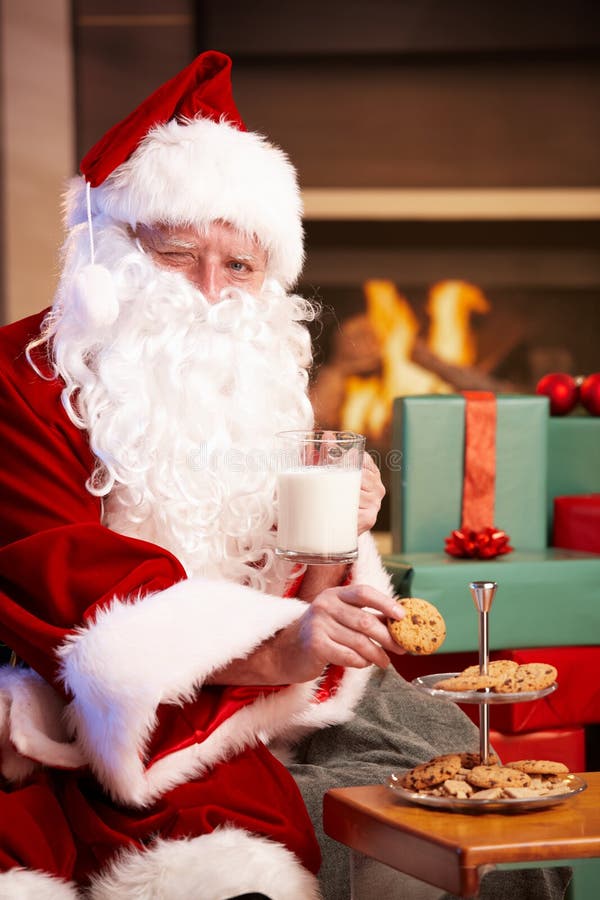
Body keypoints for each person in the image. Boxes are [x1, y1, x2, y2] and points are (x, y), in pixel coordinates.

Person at [0, 52, 570, 900]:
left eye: (239, 267)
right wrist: (278, 646)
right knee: (320, 860)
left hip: (289, 688)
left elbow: (302, 586)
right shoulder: (28, 374)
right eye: (178, 255)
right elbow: (69, 582)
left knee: (487, 819)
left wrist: (337, 548)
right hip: (127, 714)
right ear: (113, 251)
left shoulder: (253, 371)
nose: (209, 293)